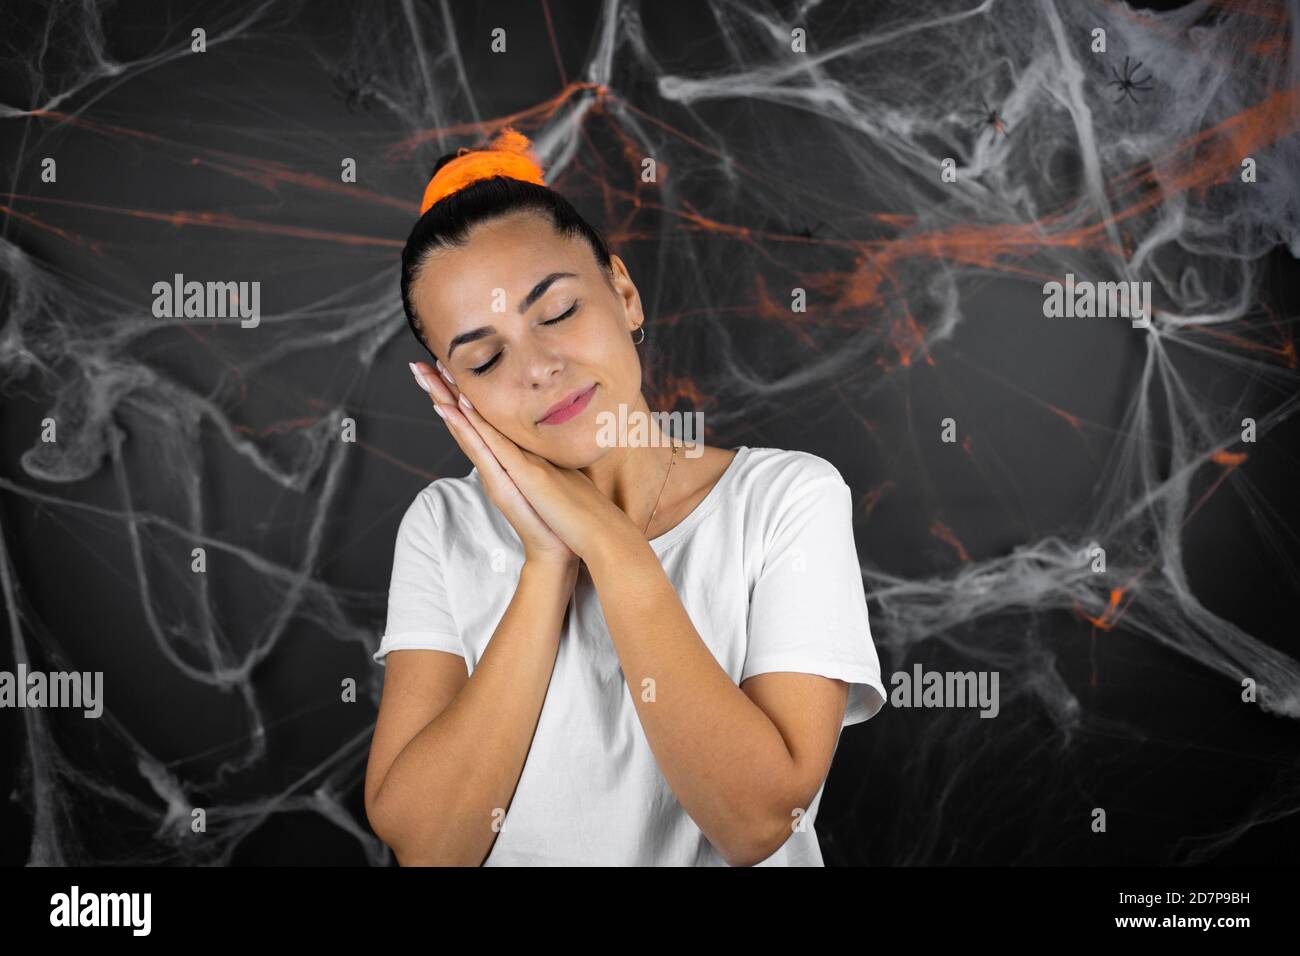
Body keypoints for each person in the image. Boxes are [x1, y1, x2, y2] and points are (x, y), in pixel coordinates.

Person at [364, 126, 886, 866]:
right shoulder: (442, 526)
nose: (539, 368)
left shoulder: (786, 501)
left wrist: (608, 543)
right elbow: (426, 846)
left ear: (625, 294)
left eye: (558, 313)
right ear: (456, 393)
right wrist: (546, 563)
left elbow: (760, 819)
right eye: (484, 358)